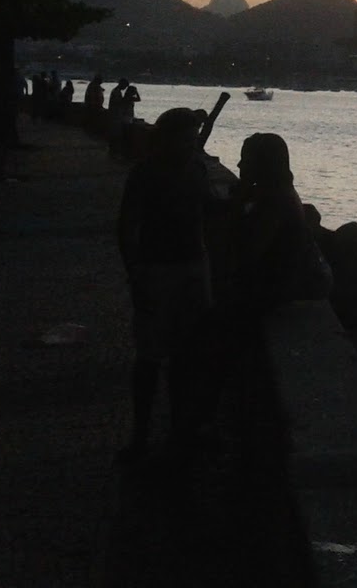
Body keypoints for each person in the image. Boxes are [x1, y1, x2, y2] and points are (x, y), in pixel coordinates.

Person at [115, 107, 217, 460]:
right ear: (167, 139)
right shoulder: (145, 174)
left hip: (193, 268)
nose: (191, 146)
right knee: (149, 357)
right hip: (157, 271)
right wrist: (136, 270)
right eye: (185, 139)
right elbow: (127, 227)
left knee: (187, 356)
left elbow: (210, 210)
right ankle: (140, 436)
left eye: (193, 140)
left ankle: (180, 429)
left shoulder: (198, 170)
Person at [231, 133, 332, 312]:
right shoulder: (279, 192)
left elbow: (248, 253)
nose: (239, 165)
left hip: (275, 290)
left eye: (245, 160)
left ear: (262, 164)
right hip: (281, 283)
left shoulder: (275, 202)